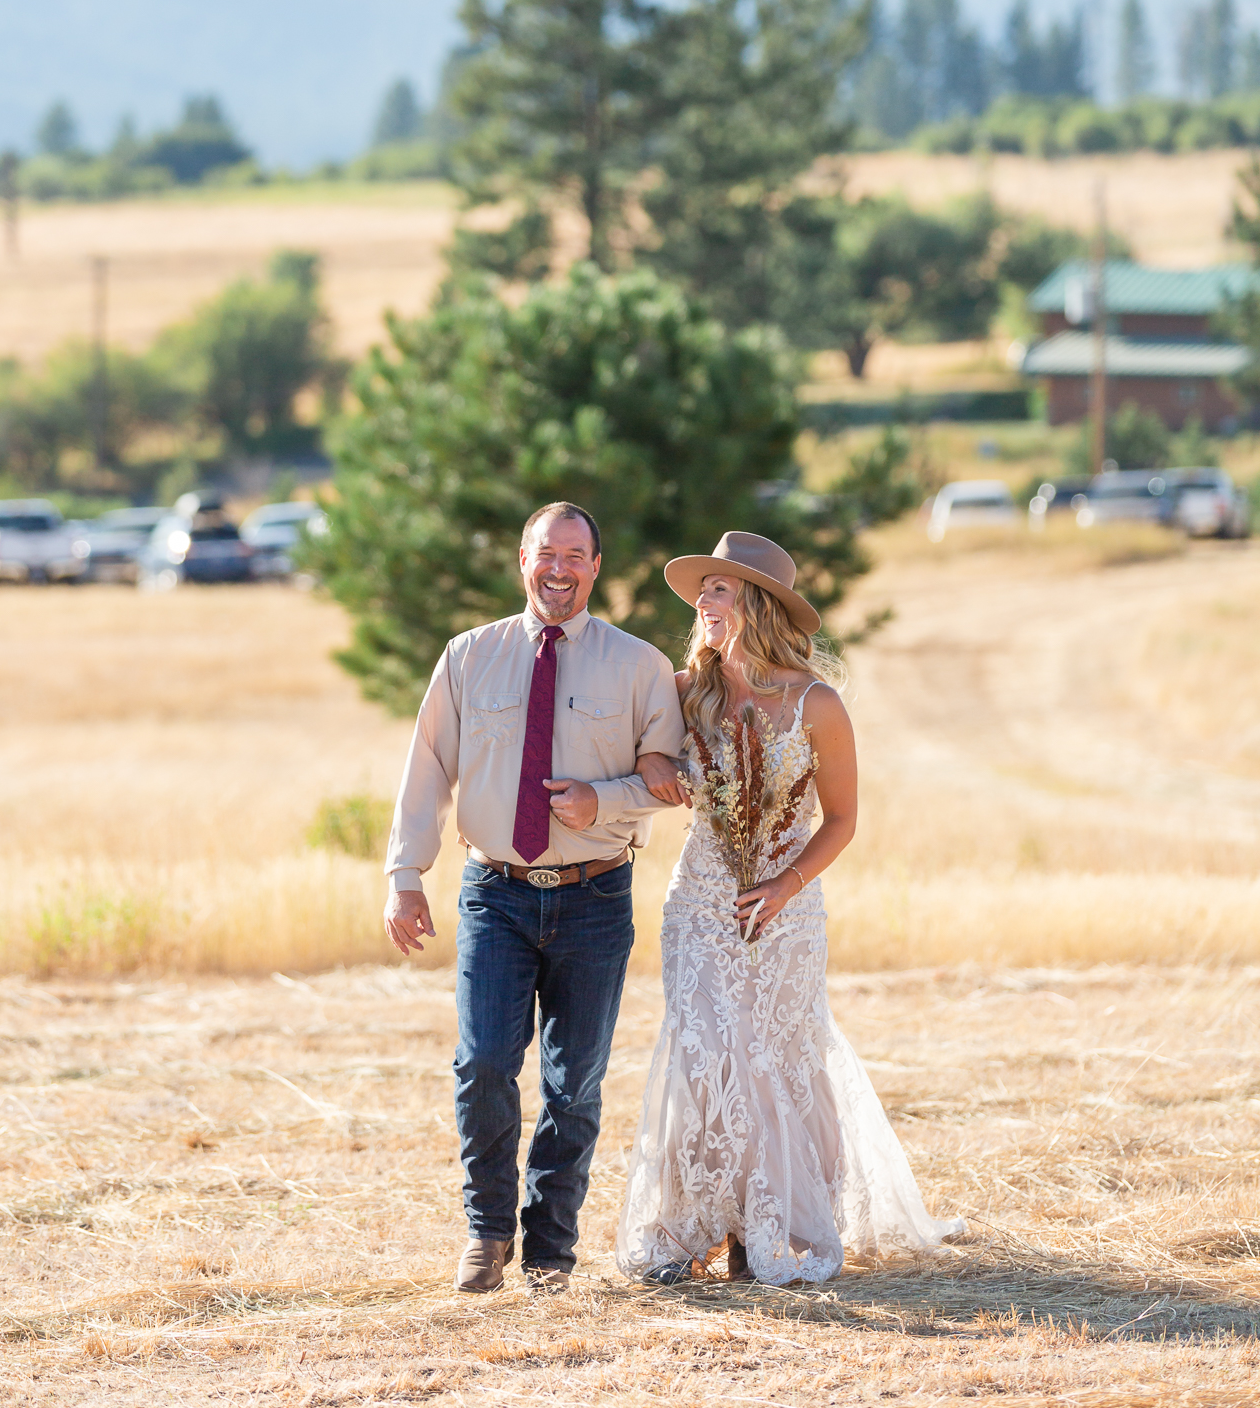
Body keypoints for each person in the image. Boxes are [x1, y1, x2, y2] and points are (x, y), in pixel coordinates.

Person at [618, 531, 963, 1286]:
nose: (703, 603)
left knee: (778, 1061)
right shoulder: (685, 692)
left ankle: (766, 1223)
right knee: (705, 1059)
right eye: (703, 589)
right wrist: (653, 762)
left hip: (786, 907)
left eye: (719, 589)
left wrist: (784, 886)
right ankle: (700, 1221)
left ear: (759, 605)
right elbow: (636, 749)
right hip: (700, 901)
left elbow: (841, 819)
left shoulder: (818, 705)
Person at [383, 501, 686, 1295]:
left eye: (576, 555)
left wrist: (604, 799)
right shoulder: (468, 656)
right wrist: (405, 875)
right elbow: (426, 770)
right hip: (495, 893)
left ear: (595, 567)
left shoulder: (641, 668)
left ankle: (549, 1251)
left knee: (573, 1084)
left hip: (595, 896)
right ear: (523, 559)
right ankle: (487, 1232)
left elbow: (670, 780)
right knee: (483, 1062)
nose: (559, 569)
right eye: (546, 553)